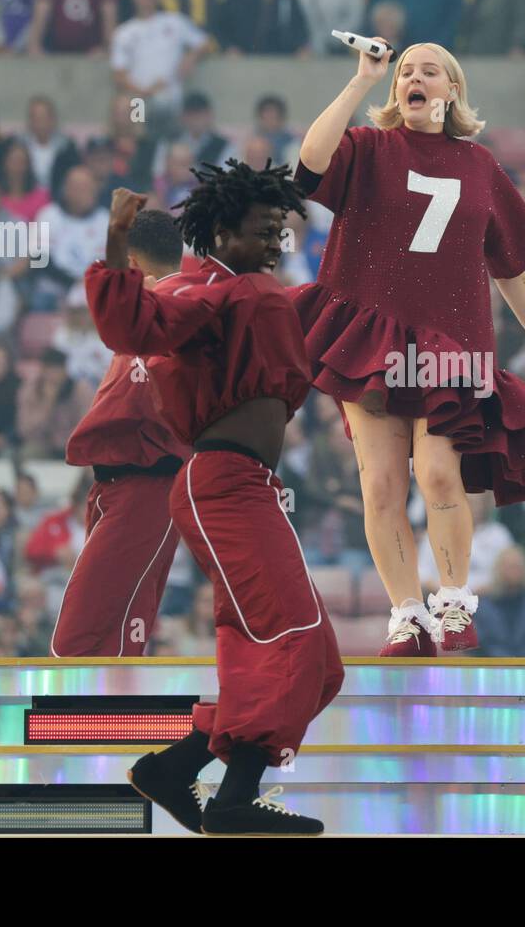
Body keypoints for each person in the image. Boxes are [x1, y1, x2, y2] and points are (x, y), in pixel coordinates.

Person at [292, 40, 525, 656]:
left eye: (429, 71)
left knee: (443, 473)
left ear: (452, 90)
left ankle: (451, 603)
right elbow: (308, 166)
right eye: (404, 71)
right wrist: (359, 82)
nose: (412, 77)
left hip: (453, 340)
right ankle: (406, 616)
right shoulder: (368, 148)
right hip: (371, 333)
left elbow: (509, 264)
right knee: (383, 485)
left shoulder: (480, 164)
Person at [87, 172, 342, 836]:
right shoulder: (211, 288)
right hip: (220, 482)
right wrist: (117, 241)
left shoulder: (259, 294)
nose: (275, 241)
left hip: (243, 485)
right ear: (222, 234)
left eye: (280, 231)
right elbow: (131, 324)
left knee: (315, 661)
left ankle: (177, 768)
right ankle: (233, 799)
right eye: (262, 231)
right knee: (293, 631)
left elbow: (318, 304)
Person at [52, 207, 191, 657]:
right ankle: (107, 727)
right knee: (119, 635)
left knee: (76, 636)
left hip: (149, 487)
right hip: (115, 484)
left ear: (132, 262)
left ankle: (70, 726)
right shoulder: (142, 312)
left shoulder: (185, 310)